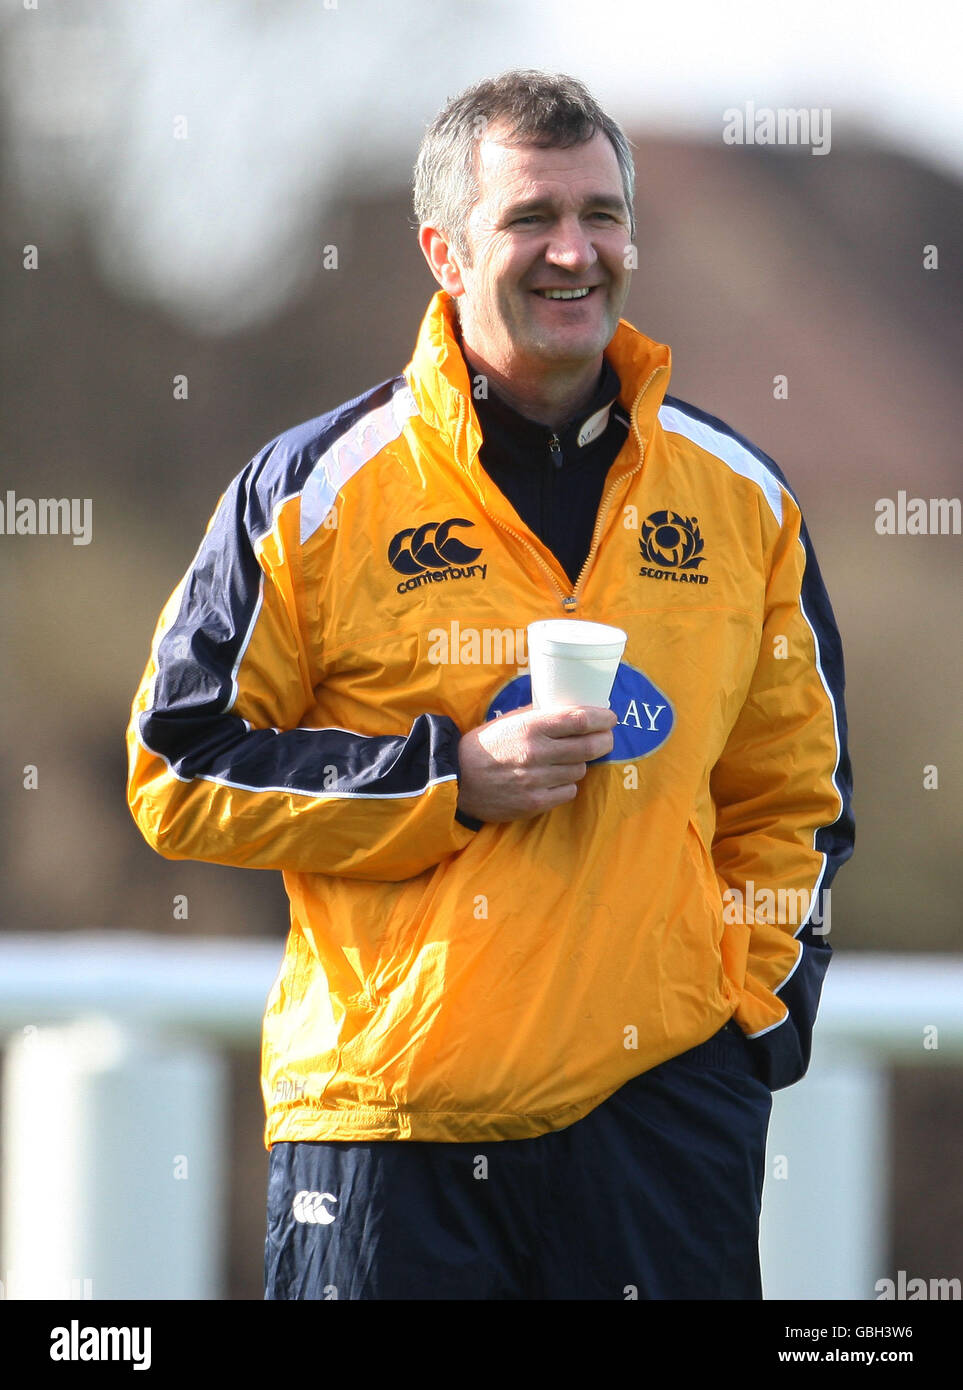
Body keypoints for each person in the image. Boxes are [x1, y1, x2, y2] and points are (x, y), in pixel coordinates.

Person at [126, 69, 854, 1300]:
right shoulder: (311, 493)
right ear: (446, 252)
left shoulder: (745, 499)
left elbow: (797, 804)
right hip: (391, 1132)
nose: (576, 252)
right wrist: (445, 779)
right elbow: (179, 767)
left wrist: (754, 1027)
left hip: (660, 1125)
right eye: (531, 219)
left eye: (602, 214)